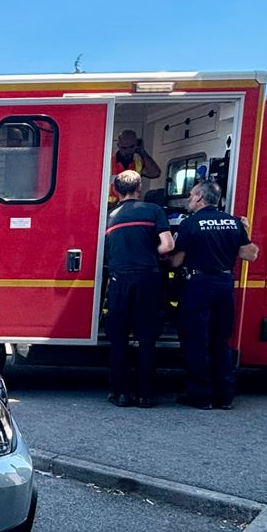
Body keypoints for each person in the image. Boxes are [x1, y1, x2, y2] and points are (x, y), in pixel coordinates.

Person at [171, 181, 259, 409]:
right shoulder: (233, 222)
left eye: (191, 195)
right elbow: (250, 255)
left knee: (196, 341)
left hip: (198, 285)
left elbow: (177, 260)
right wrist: (246, 231)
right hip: (224, 283)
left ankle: (200, 397)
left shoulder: (190, 224)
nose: (189, 200)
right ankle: (225, 396)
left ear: (200, 196)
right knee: (220, 342)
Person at [105, 171, 174, 407]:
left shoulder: (110, 216)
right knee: (146, 339)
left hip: (119, 280)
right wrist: (147, 253)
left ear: (115, 191)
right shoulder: (154, 210)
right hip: (148, 279)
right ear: (140, 187)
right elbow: (168, 245)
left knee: (119, 339)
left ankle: (120, 393)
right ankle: (146, 395)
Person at [110, 130, 162, 204]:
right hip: (109, 208)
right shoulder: (109, 163)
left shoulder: (138, 162)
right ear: (118, 145)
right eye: (124, 148)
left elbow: (155, 173)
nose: (128, 151)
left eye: (131, 147)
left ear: (136, 145)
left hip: (131, 207)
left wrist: (142, 151)